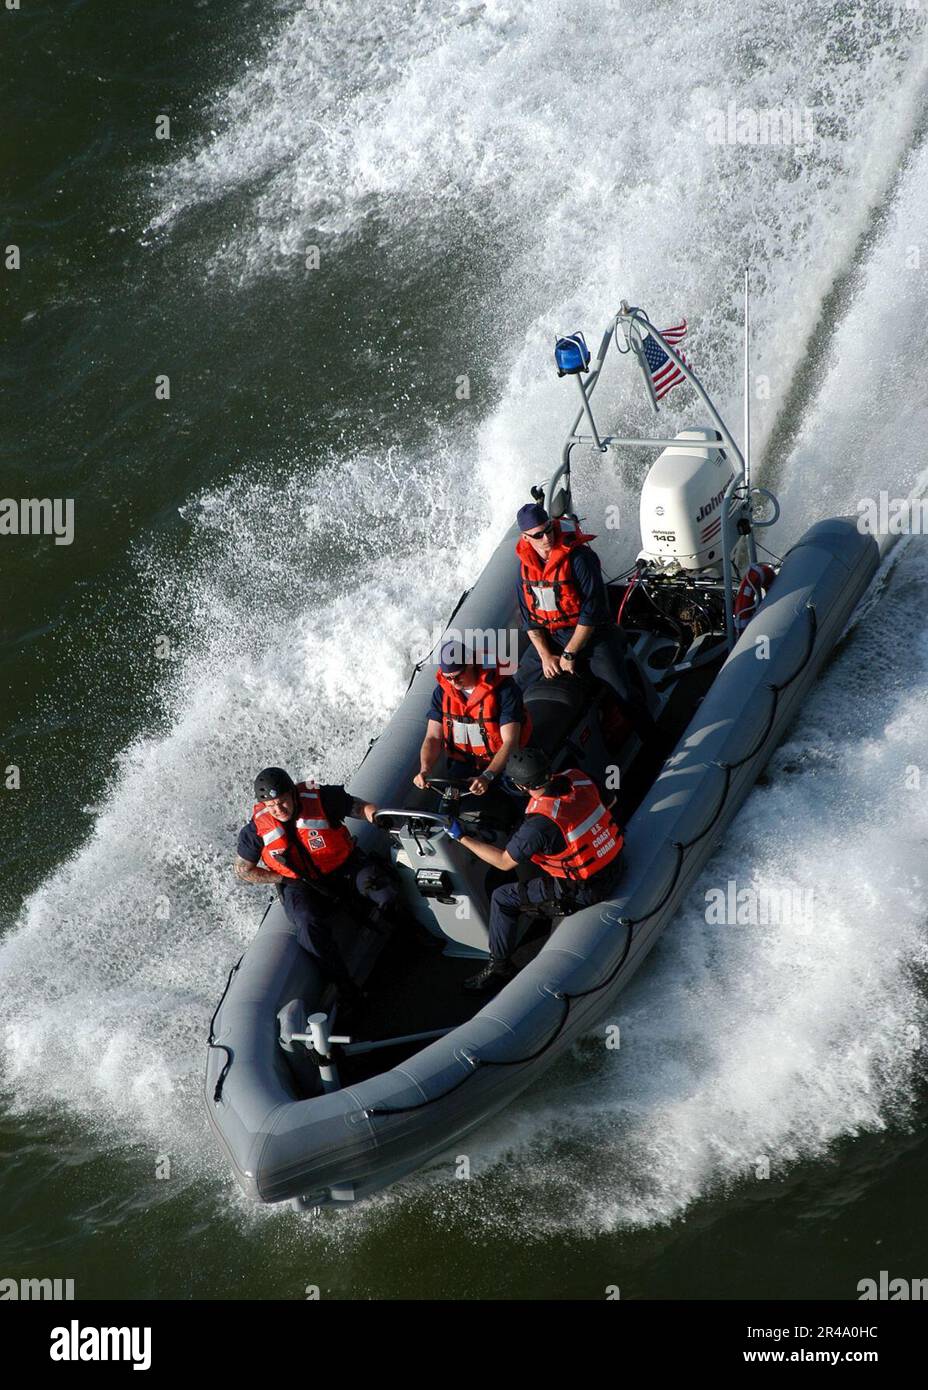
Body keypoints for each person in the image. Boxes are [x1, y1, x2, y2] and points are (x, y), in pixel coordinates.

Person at [444, 745, 625, 993]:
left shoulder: (538, 826)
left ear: (520, 786)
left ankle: (499, 965)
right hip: (613, 859)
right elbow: (611, 801)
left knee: (502, 897)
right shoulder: (579, 778)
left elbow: (503, 862)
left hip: (584, 889)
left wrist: (460, 836)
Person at [234, 767, 398, 1008]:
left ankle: (402, 933)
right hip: (299, 883)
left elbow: (358, 807)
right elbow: (243, 870)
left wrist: (375, 815)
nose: (278, 810)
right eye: (271, 806)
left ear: (292, 793)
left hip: (343, 866)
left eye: (281, 802)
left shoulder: (321, 798)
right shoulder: (256, 830)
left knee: (384, 892)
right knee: (307, 924)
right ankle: (346, 987)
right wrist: (280, 879)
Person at [514, 502, 657, 739]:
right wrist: (545, 656)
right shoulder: (525, 569)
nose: (546, 538)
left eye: (548, 529)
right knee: (517, 685)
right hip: (553, 636)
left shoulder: (579, 558)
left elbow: (592, 611)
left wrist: (569, 653)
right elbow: (530, 620)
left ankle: (654, 740)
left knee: (622, 691)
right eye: (538, 535)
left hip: (592, 635)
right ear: (526, 538)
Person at [415, 641, 531, 796]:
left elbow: (511, 741)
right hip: (465, 765)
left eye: (457, 676)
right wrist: (425, 769)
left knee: (516, 800)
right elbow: (433, 736)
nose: (453, 683)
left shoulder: (504, 690)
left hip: (505, 765)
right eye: (448, 678)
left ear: (470, 663)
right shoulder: (441, 693)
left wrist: (487, 776)